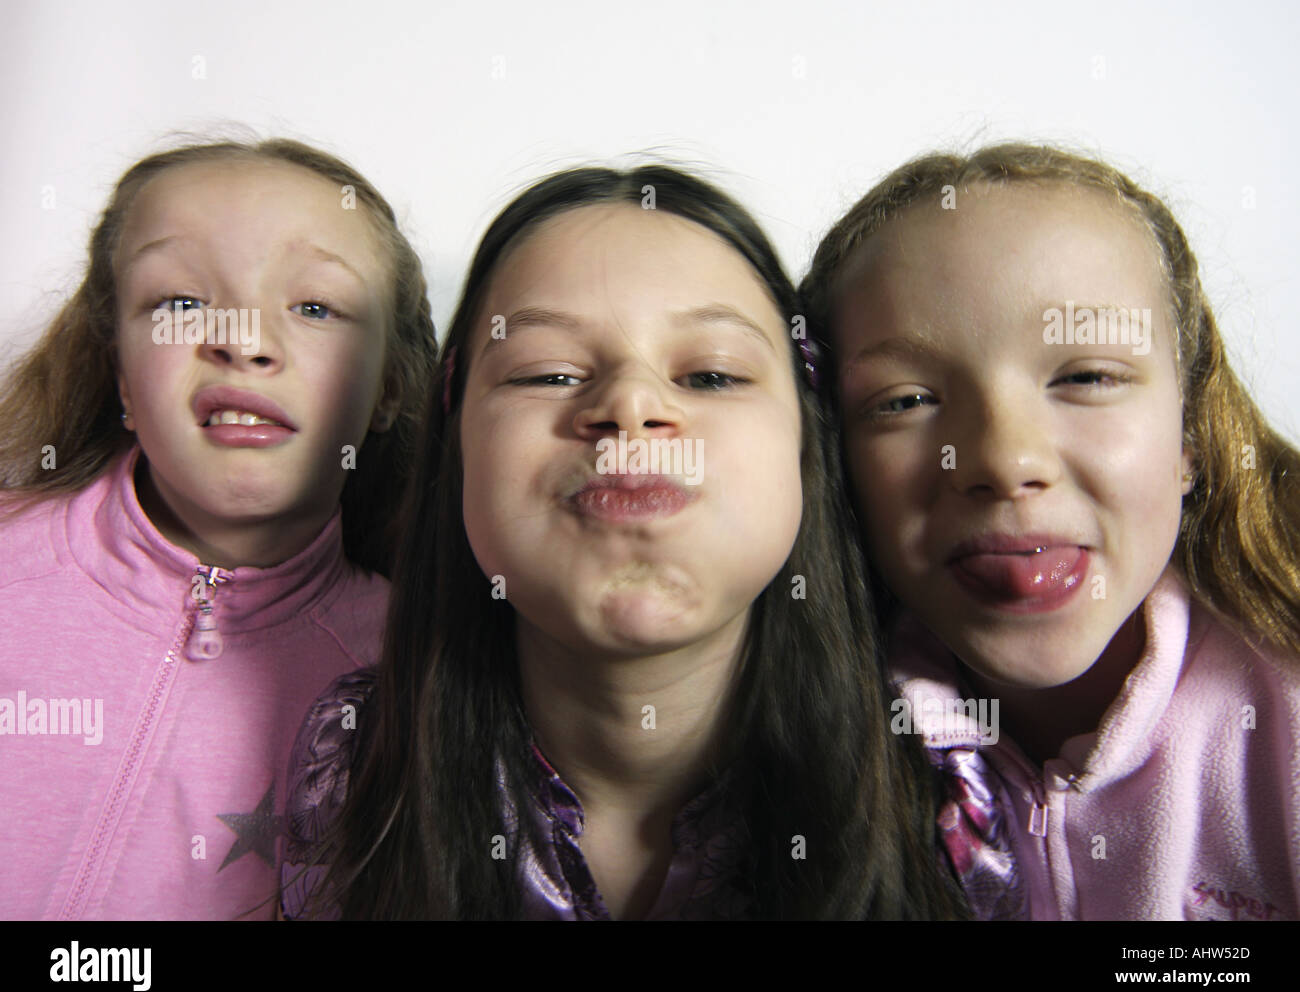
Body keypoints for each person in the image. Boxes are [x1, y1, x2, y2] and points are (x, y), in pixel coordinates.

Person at [281, 164, 967, 920]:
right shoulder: (350, 771)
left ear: (808, 443)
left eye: (710, 374)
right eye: (547, 372)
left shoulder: (950, 801)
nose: (632, 406)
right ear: (456, 442)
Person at [800, 143, 1300, 920]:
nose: (1005, 460)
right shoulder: (807, 733)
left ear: (1191, 436)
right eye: (904, 400)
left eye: (1086, 377)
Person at [0, 137, 437, 918]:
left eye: (313, 307)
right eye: (181, 302)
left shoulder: (418, 674)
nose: (242, 340)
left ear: (389, 388)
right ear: (121, 376)